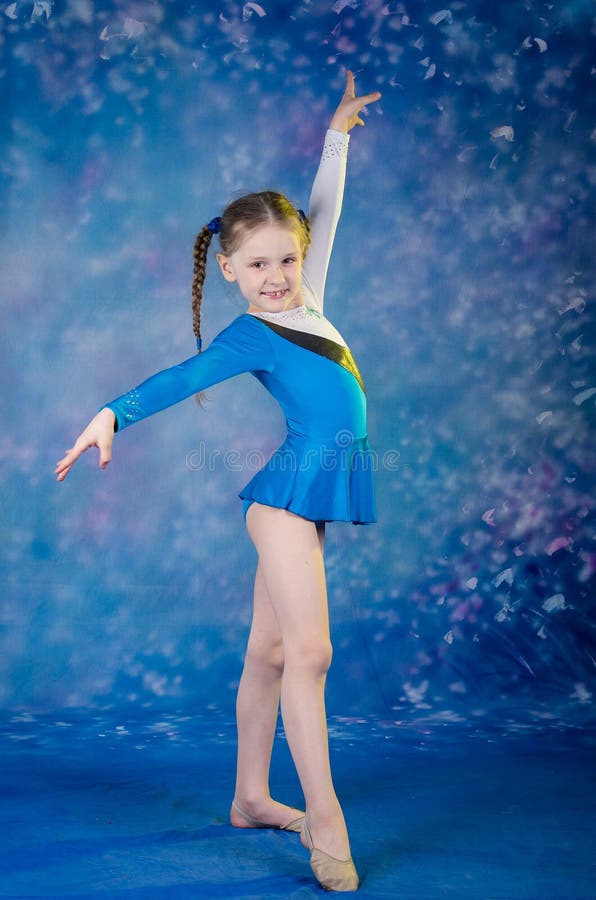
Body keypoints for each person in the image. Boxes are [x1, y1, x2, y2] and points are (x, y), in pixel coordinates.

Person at [56, 71, 381, 892]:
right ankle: (328, 821)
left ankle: (248, 796)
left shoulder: (309, 301)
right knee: (312, 653)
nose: (277, 275)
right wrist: (111, 413)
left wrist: (335, 137)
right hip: (280, 504)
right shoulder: (254, 333)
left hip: (306, 501)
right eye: (259, 264)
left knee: (270, 654)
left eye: (288, 259)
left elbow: (326, 211)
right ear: (230, 270)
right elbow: (178, 376)